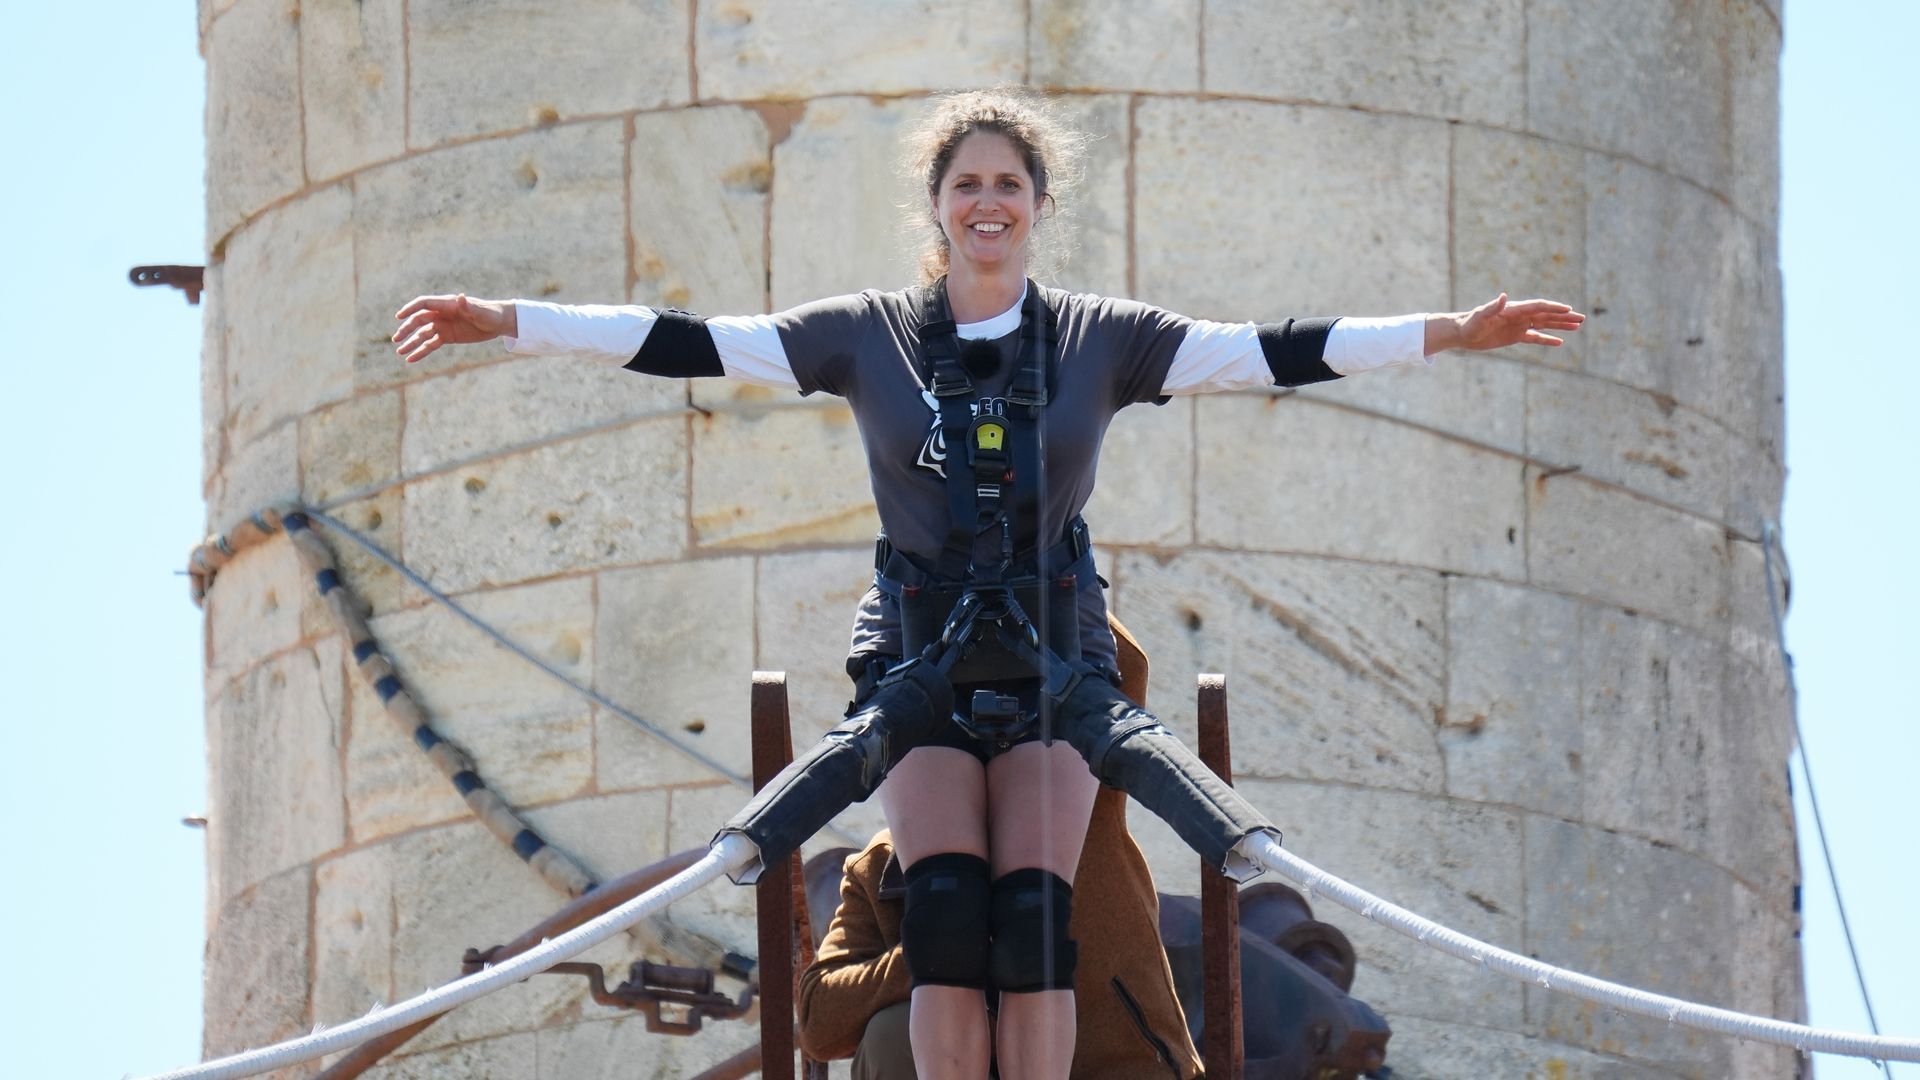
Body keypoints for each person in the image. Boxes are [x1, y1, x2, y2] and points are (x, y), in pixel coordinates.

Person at [391, 87, 1581, 1080]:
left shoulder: (1104, 338)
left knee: (1034, 924)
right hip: (921, 659)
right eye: (967, 184)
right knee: (950, 924)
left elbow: (1271, 351)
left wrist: (1447, 332)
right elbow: (690, 340)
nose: (988, 202)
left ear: (1038, 206)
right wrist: (507, 319)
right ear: (939, 207)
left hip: (1059, 660)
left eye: (1009, 183)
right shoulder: (868, 334)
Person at [798, 616, 1201, 1079]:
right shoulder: (882, 868)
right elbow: (818, 1020)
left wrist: (1007, 580)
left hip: (1117, 1068)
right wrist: (942, 940)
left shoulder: (1082, 814)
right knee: (890, 1034)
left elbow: (1121, 665)